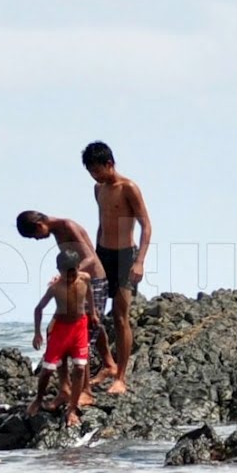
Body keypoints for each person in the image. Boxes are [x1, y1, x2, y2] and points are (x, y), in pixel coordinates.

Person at [15, 210, 117, 383]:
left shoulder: (67, 226)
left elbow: (90, 258)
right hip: (77, 280)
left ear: (40, 225)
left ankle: (85, 389)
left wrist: (66, 275)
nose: (37, 240)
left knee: (85, 328)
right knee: (87, 324)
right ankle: (108, 365)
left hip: (94, 281)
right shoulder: (57, 230)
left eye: (35, 236)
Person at [83, 141, 151, 394]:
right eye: (90, 172)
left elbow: (146, 225)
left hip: (125, 257)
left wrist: (140, 261)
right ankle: (108, 365)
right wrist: (93, 256)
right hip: (102, 255)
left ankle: (120, 377)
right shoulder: (97, 189)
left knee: (121, 317)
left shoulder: (128, 188)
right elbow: (102, 222)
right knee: (93, 314)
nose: (94, 176)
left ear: (109, 164)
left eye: (97, 170)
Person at [28, 248, 98, 428]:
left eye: (72, 272)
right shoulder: (55, 287)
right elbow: (38, 309)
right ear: (58, 271)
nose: (69, 277)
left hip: (79, 327)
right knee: (48, 370)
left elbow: (89, 293)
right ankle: (38, 399)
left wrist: (94, 313)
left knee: (81, 368)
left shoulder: (85, 278)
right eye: (65, 274)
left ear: (77, 267)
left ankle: (72, 409)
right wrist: (37, 333)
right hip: (60, 330)